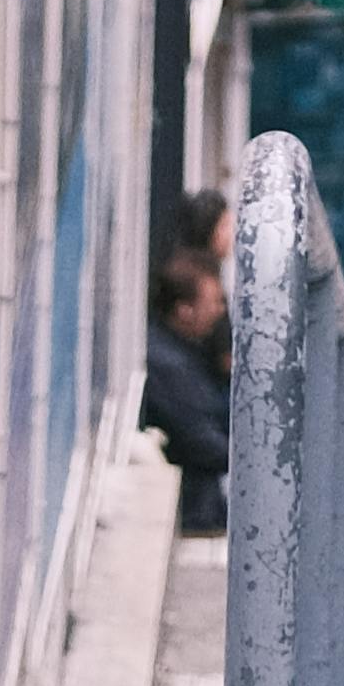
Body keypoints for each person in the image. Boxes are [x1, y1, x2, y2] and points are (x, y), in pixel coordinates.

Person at [141, 222, 231, 533]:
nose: (220, 311)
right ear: (184, 311)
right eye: (213, 303)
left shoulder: (184, 352)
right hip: (196, 513)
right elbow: (201, 442)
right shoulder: (168, 365)